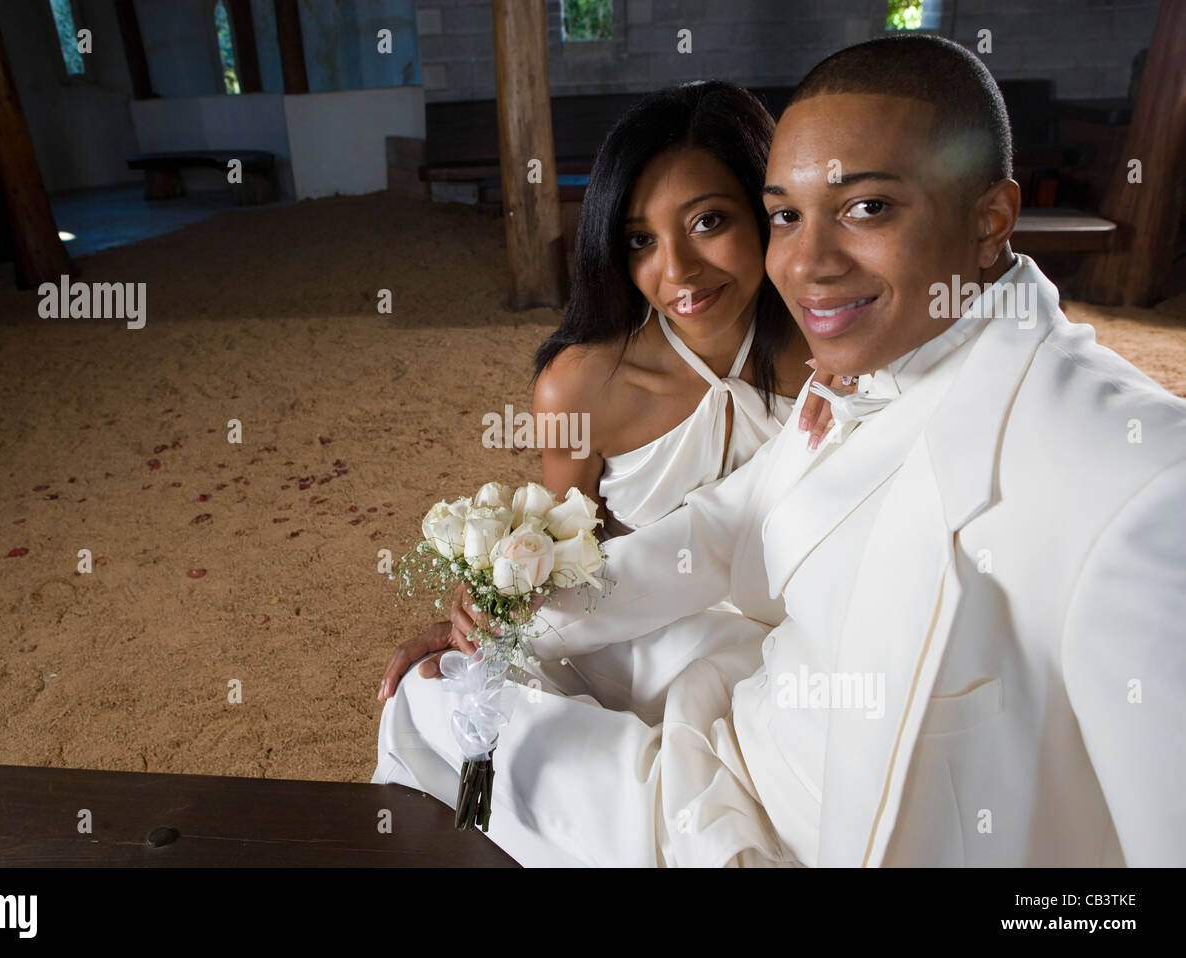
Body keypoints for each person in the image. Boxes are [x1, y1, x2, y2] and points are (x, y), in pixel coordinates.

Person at [446, 34, 1186, 866]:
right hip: (722, 770)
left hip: (783, 833)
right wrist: (518, 615)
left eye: (866, 207)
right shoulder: (869, 365)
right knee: (442, 706)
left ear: (992, 220)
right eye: (788, 216)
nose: (807, 263)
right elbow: (723, 528)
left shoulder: (1144, 483)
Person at [376, 81, 837, 723]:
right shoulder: (579, 386)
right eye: (640, 240)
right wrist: (491, 605)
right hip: (646, 654)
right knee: (439, 705)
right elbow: (569, 559)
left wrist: (851, 366)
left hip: (809, 633)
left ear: (768, 209)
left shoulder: (838, 348)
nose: (676, 270)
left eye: (708, 221)